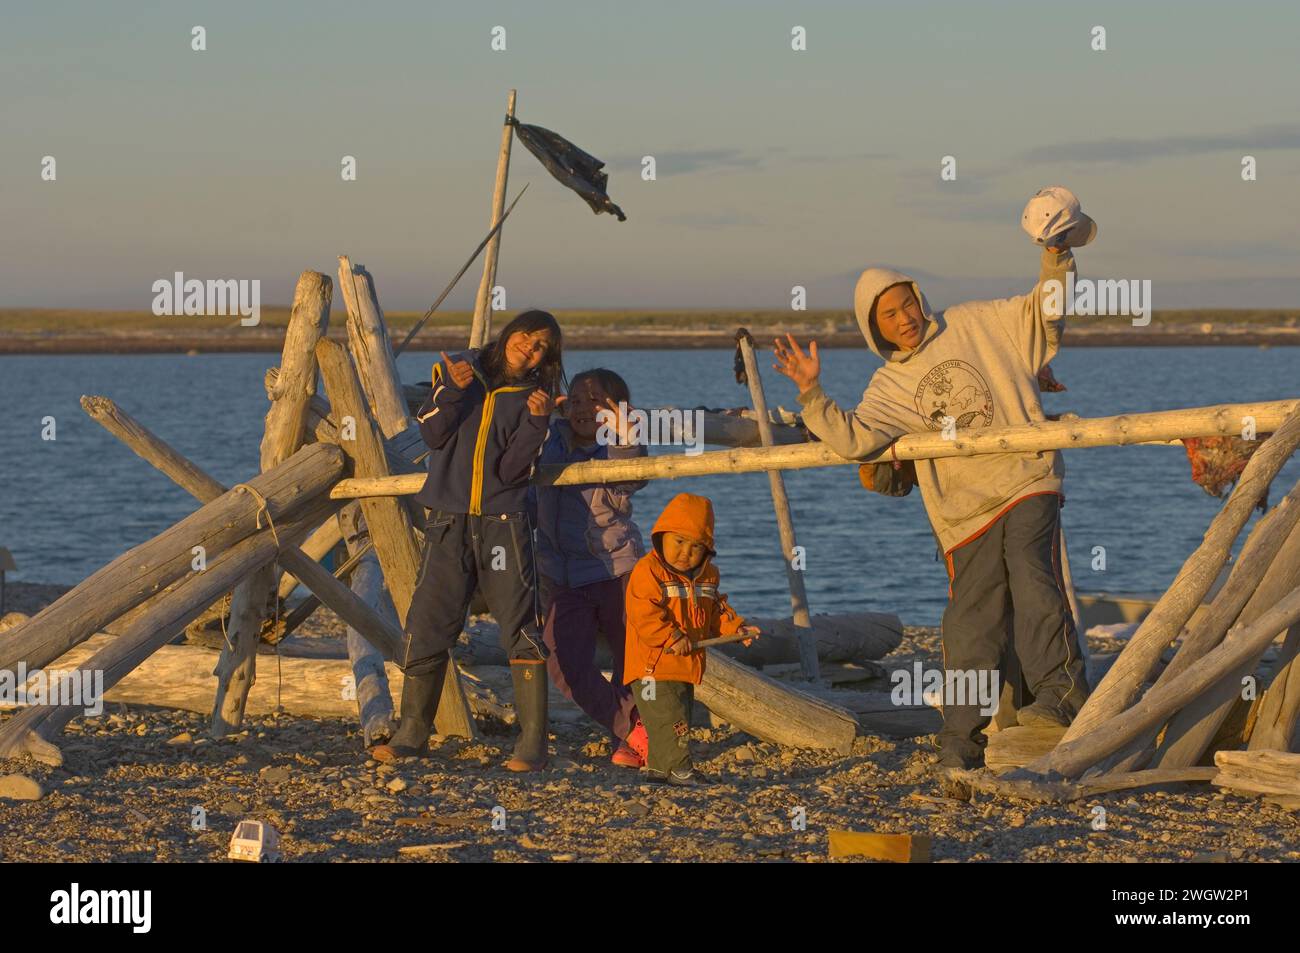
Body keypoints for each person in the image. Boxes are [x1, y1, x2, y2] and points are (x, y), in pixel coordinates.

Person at [772, 187, 1097, 770]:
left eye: (908, 305)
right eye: (889, 315)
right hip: (962, 512)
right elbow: (851, 438)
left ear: (921, 299)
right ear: (875, 327)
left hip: (1026, 478)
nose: (906, 320)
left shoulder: (979, 323)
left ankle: (1059, 697)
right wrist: (811, 392)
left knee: (1031, 581)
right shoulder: (889, 388)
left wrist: (1056, 256)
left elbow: (1044, 315)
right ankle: (960, 738)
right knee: (970, 621)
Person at [371, 309, 564, 771]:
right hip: (448, 519)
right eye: (526, 336)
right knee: (429, 620)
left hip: (504, 522)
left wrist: (537, 423)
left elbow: (513, 471)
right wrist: (454, 389)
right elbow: (432, 433)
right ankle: (414, 731)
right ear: (510, 332)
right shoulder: (457, 368)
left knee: (519, 625)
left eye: (541, 347)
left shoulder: (537, 397)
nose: (530, 349)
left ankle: (533, 742)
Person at [535, 369, 651, 767]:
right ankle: (631, 727)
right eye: (577, 400)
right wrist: (542, 416)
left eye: (596, 401)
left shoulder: (616, 449)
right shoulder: (552, 443)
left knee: (631, 658)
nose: (584, 408)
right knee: (561, 659)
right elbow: (520, 449)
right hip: (563, 576)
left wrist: (624, 434)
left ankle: (633, 738)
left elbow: (633, 477)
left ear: (617, 411)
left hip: (618, 569)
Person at [623, 492, 759, 784]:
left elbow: (715, 612)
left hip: (685, 666)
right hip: (652, 667)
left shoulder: (708, 576)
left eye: (696, 546)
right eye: (679, 542)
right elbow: (641, 611)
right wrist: (671, 635)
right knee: (672, 720)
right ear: (662, 536)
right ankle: (681, 770)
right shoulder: (648, 571)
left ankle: (660, 770)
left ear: (707, 549)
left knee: (675, 716)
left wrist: (735, 628)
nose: (685, 552)